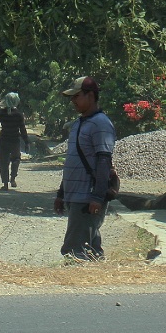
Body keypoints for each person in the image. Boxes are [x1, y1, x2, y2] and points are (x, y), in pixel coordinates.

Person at [54, 76, 116, 261]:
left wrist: (97, 197)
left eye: (76, 96)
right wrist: (61, 193)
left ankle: (77, 287)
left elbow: (104, 161)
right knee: (90, 248)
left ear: (90, 96)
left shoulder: (101, 124)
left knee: (74, 251)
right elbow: (73, 161)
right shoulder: (79, 124)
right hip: (75, 196)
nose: (73, 101)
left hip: (87, 197)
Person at [0, 92, 30, 190]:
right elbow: (22, 129)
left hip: (4, 139)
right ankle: (12, 178)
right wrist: (26, 142)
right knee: (16, 159)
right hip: (15, 140)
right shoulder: (19, 114)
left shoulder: (0, 113)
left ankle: (5, 184)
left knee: (3, 162)